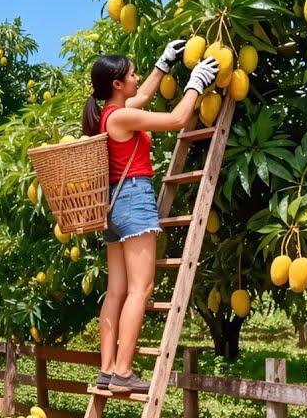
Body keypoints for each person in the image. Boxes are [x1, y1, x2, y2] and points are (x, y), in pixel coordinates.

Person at [83, 41, 220, 393]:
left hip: (113, 204)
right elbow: (176, 120)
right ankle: (123, 373)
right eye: (132, 74)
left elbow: (142, 96)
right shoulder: (121, 117)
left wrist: (164, 64)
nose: (137, 77)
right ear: (117, 84)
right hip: (133, 199)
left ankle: (107, 369)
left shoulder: (108, 114)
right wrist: (196, 84)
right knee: (140, 290)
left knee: (116, 291)